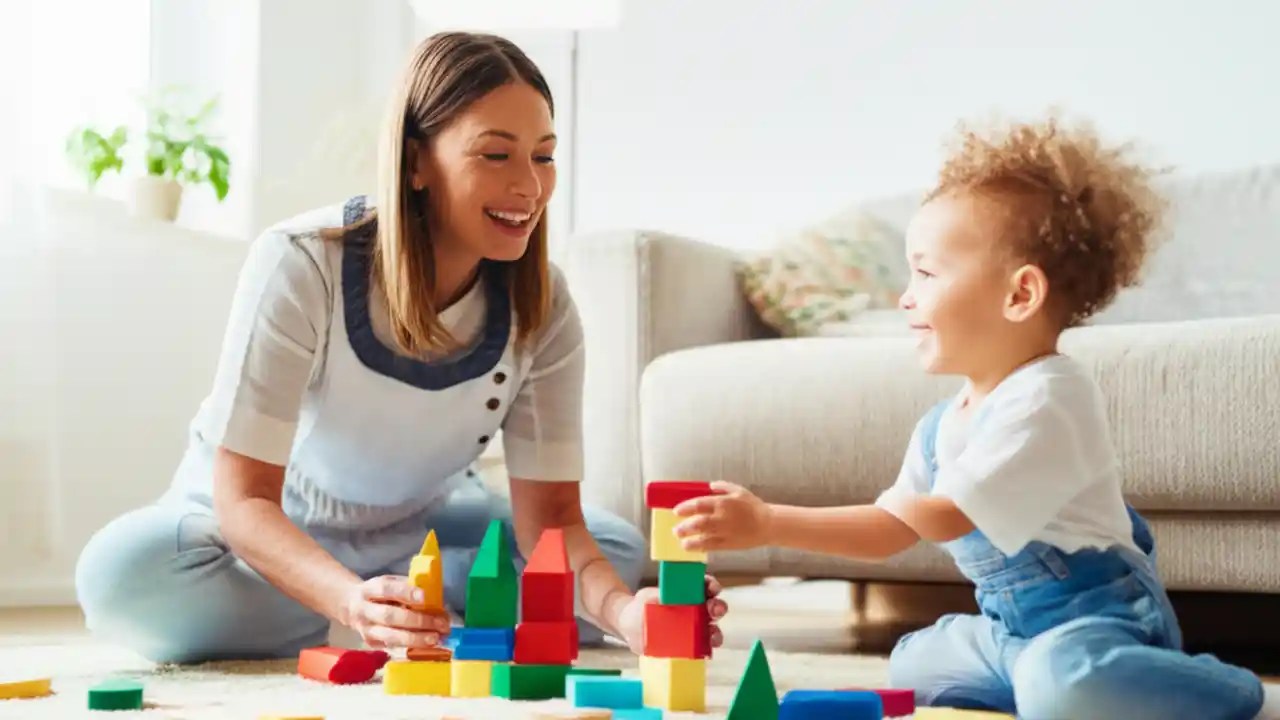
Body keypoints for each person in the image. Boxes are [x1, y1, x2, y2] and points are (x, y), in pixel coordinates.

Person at [75, 31, 727, 664]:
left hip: (421, 524)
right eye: (496, 155)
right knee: (123, 575)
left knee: (613, 546)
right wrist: (350, 601)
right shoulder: (302, 262)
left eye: (545, 155)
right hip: (258, 531)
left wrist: (624, 615)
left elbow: (553, 519)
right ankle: (403, 607)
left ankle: (412, 598)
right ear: (416, 161)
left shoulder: (544, 304)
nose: (530, 186)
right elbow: (244, 502)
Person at [670, 115, 1278, 719]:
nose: (904, 296)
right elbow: (889, 532)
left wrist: (773, 519)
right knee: (915, 666)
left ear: (1020, 295)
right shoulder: (940, 425)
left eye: (926, 273)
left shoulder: (1049, 398)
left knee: (1062, 684)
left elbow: (935, 516)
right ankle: (1048, 690)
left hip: (1101, 626)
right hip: (1013, 635)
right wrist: (766, 528)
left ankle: (1232, 691)